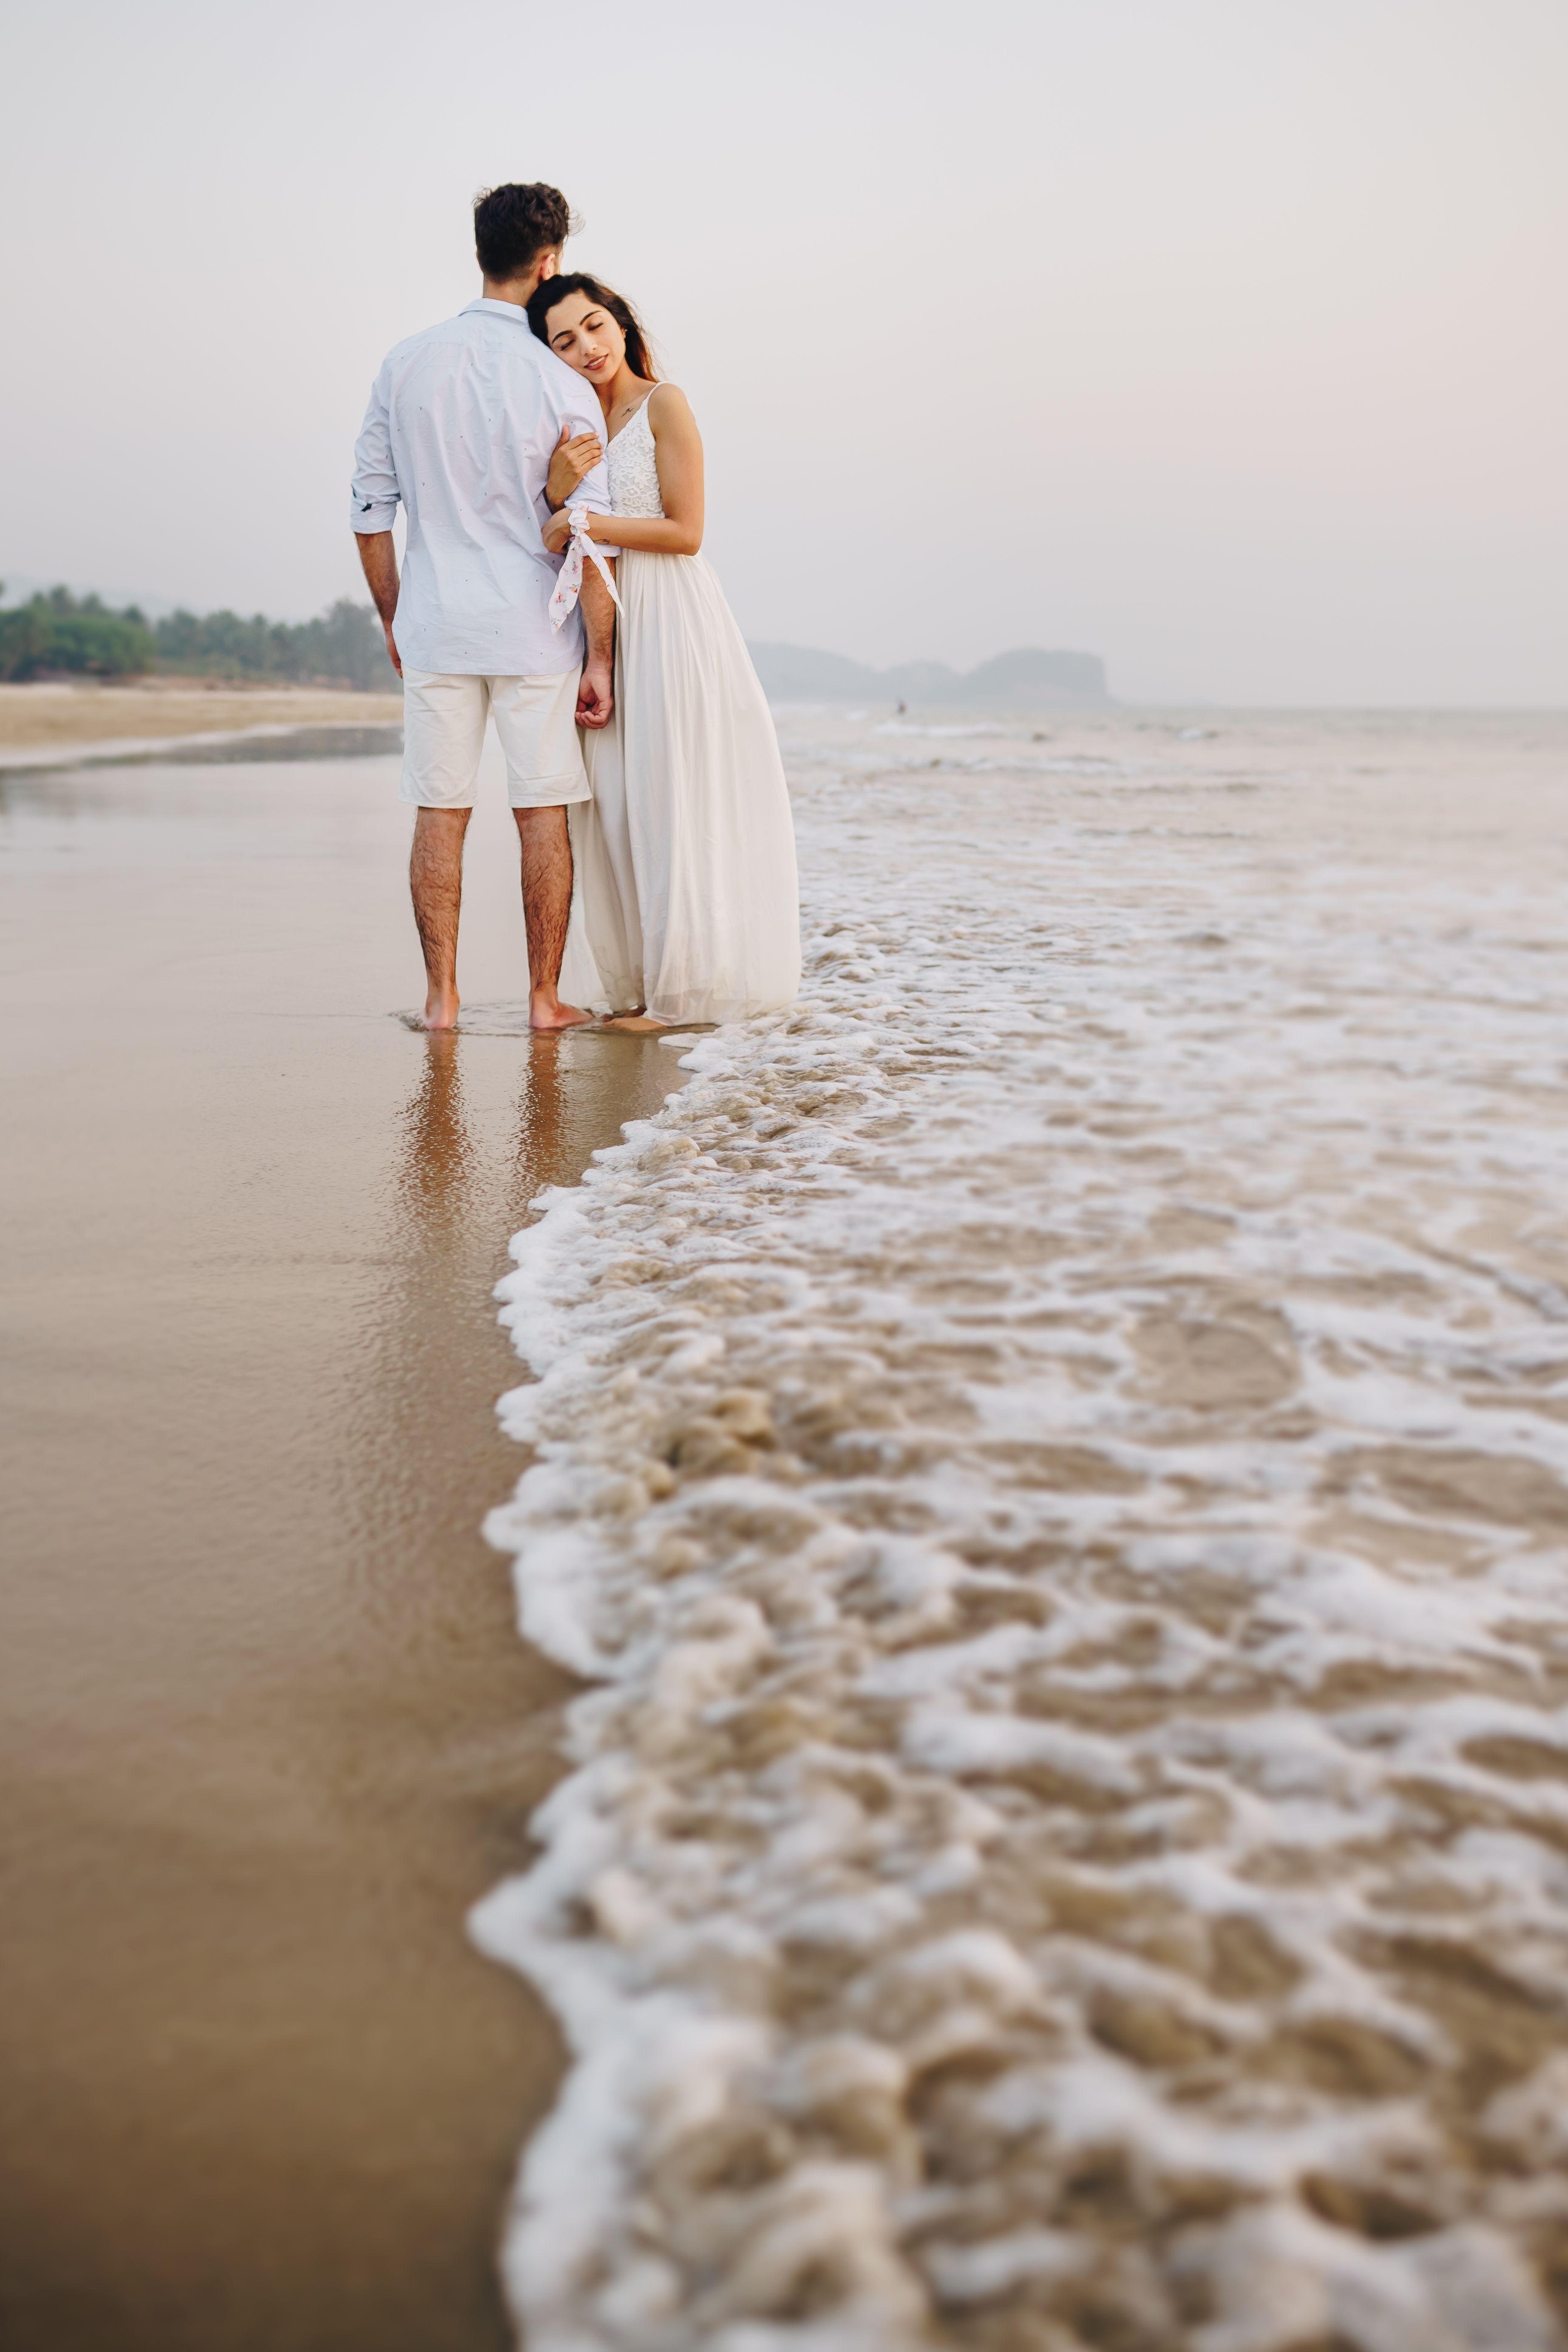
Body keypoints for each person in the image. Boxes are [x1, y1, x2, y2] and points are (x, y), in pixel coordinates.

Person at [349, 184, 619, 1031]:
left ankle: (442, 1000)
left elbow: (369, 511)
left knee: (442, 810)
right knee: (542, 812)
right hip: (538, 629)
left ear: (479, 252)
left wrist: (395, 617)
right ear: (550, 263)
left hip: (436, 622)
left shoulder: (406, 362)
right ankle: (543, 1001)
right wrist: (601, 657)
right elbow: (591, 538)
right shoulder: (561, 377)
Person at [526, 274, 800, 1029]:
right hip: (609, 617)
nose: (587, 346)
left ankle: (682, 995)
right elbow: (562, 530)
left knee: (669, 791)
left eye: (594, 326)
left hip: (672, 611)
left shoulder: (663, 403)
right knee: (618, 801)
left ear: (620, 322)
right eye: (565, 339)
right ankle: (641, 984)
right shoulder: (576, 421)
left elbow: (686, 531)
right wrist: (559, 499)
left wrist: (583, 524)